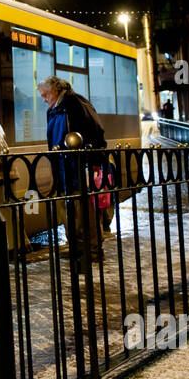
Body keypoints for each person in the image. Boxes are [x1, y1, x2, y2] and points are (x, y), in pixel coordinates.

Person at [39, 75, 108, 269]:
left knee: (83, 210)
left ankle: (92, 250)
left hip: (76, 165)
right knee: (67, 211)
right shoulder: (53, 110)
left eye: (46, 95)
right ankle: (77, 248)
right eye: (42, 96)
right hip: (62, 167)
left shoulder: (74, 104)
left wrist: (90, 162)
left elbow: (92, 132)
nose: (44, 99)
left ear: (56, 89)